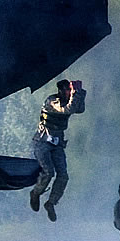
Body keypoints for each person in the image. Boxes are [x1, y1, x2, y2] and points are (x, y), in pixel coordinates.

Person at [27, 79, 83, 221]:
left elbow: (80, 108)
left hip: (57, 144)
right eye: (68, 91)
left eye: (70, 91)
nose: (70, 93)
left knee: (63, 175)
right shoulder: (52, 101)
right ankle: (35, 193)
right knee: (48, 172)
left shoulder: (71, 101)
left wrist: (80, 93)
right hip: (42, 143)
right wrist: (76, 94)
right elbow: (68, 109)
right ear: (61, 91)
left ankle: (51, 203)